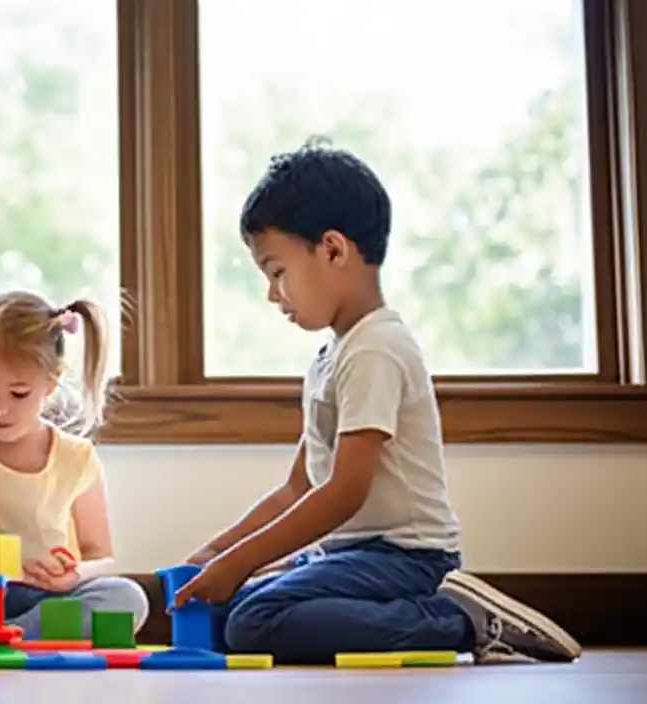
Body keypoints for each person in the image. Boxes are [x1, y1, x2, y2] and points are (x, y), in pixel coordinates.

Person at [172, 139, 582, 665]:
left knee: (255, 621)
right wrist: (220, 554)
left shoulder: (375, 348)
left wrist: (240, 562)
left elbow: (344, 493)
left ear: (334, 250)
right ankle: (437, 614)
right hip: (356, 554)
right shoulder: (334, 354)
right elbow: (299, 487)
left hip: (407, 557)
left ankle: (461, 620)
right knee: (235, 611)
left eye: (276, 271)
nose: (273, 294)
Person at [0, 290, 150, 640]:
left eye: (19, 393)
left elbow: (103, 557)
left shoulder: (76, 457)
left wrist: (73, 575)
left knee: (127, 597)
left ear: (50, 383)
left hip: (48, 599)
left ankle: (12, 634)